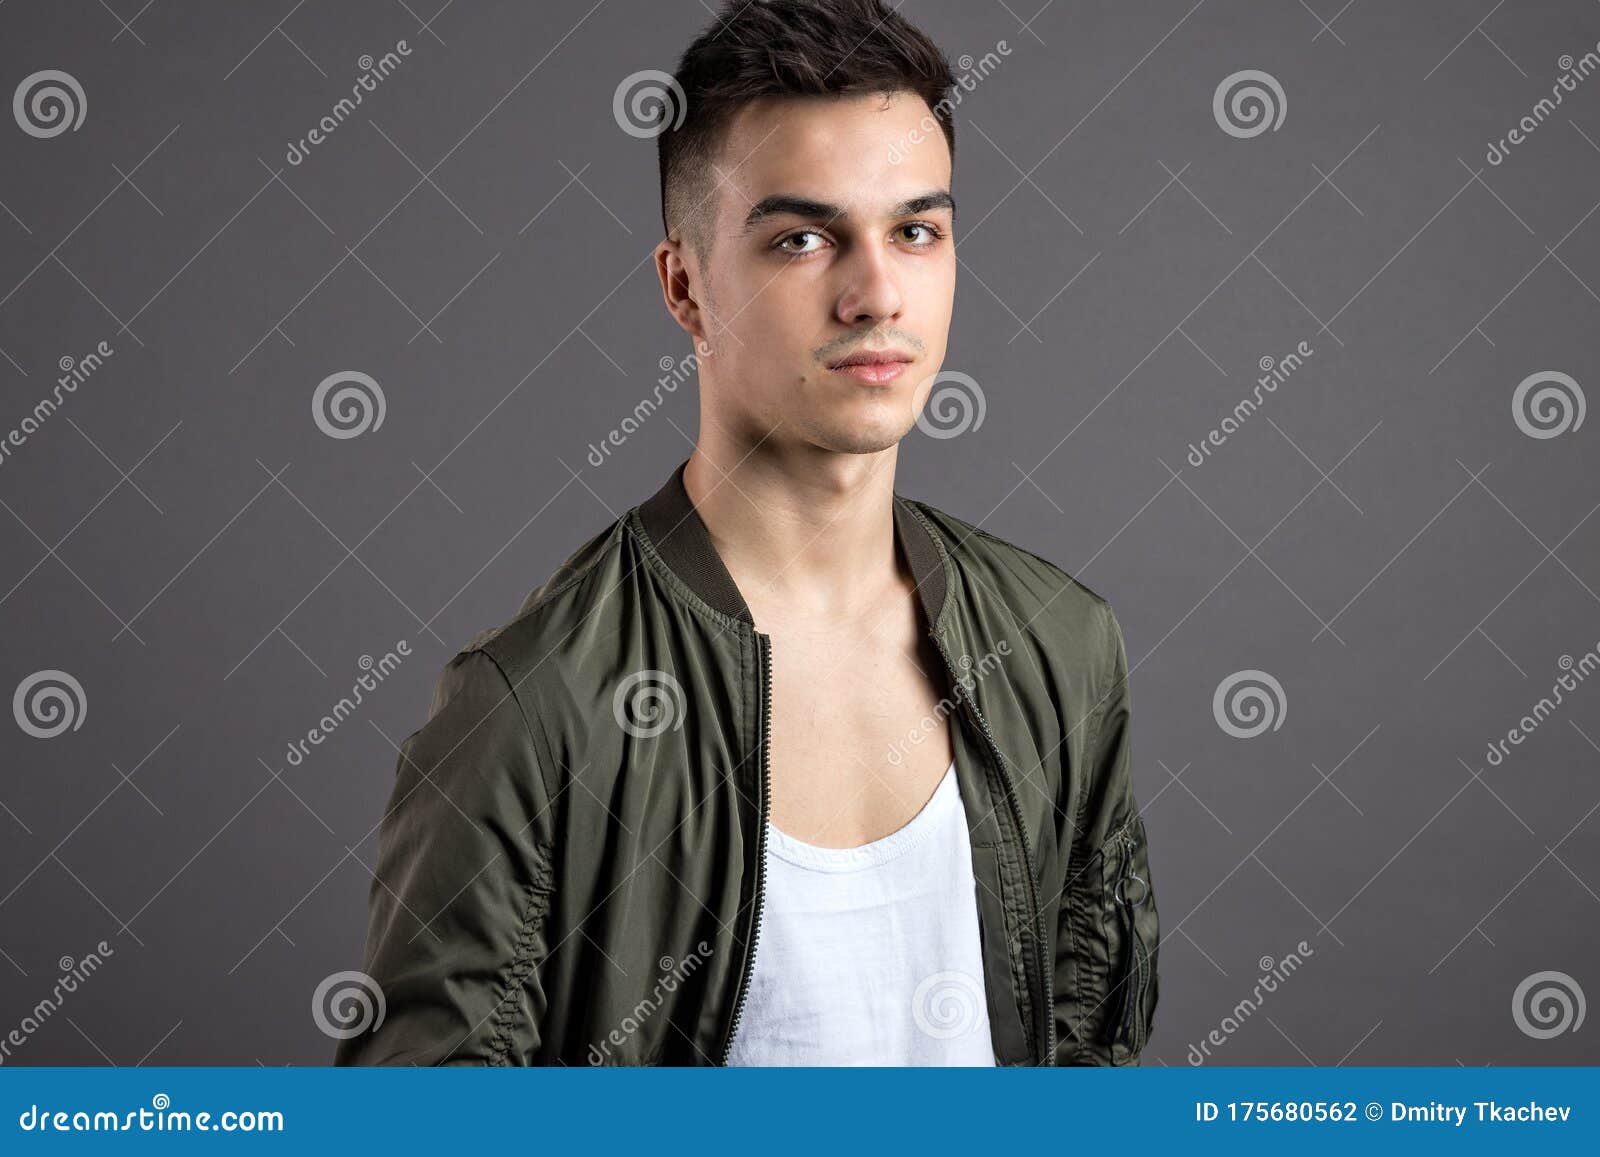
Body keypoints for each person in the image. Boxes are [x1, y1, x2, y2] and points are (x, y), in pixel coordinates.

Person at [336, 0, 1158, 1067]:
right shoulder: (534, 712)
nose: (875, 293)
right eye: (802, 239)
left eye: (916, 230)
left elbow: (1092, 1066)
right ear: (685, 285)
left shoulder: (1060, 645)